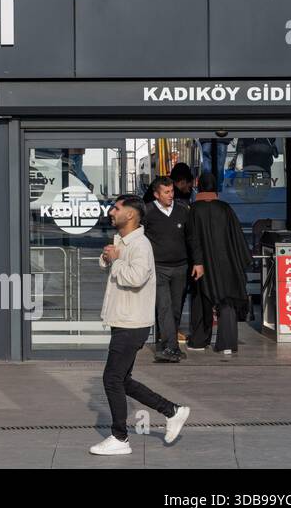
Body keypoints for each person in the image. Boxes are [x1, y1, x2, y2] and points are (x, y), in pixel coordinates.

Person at [90, 194, 190, 455]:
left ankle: (119, 438)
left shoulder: (141, 244)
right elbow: (113, 265)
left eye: (117, 208)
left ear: (131, 215)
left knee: (111, 378)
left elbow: (135, 277)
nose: (111, 212)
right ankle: (173, 411)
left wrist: (115, 260)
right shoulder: (123, 241)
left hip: (132, 322)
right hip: (123, 318)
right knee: (123, 380)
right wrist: (109, 258)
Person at [186, 172, 253, 356]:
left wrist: (197, 261)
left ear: (199, 186)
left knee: (201, 299)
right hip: (227, 262)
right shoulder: (225, 209)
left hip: (202, 263)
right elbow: (237, 236)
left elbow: (192, 239)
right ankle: (227, 344)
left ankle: (199, 340)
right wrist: (242, 261)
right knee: (227, 301)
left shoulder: (194, 209)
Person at [142, 175, 193, 363]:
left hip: (180, 267)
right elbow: (141, 237)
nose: (171, 195)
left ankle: (167, 344)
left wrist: (197, 262)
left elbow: (191, 238)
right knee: (164, 307)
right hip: (159, 267)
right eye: (166, 192)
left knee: (176, 308)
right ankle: (171, 347)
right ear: (156, 195)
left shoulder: (182, 210)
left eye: (172, 191)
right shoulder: (148, 212)